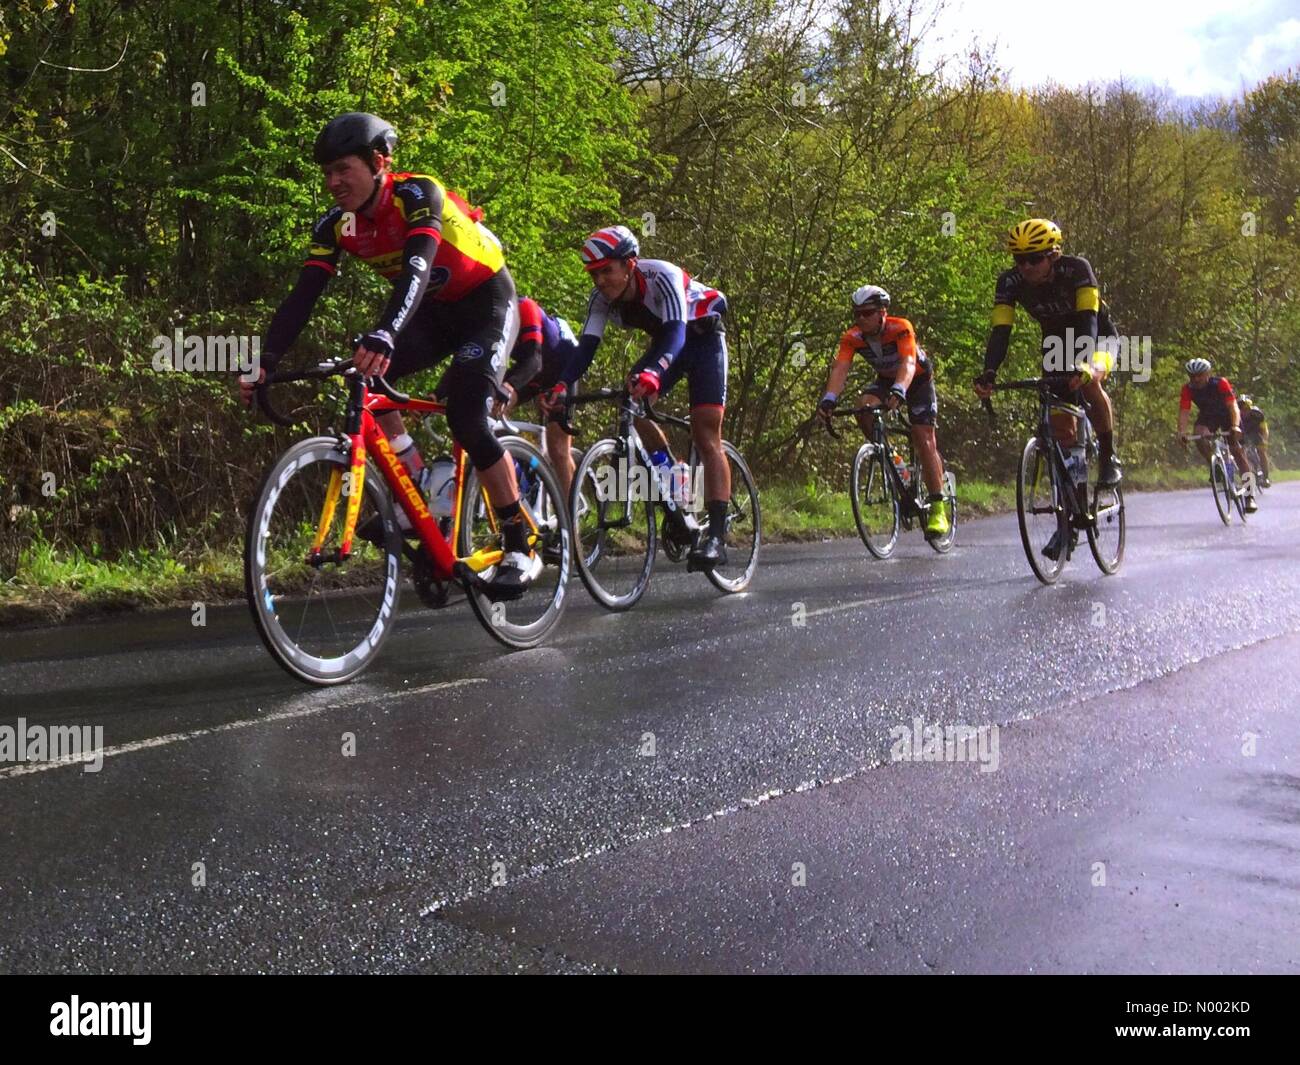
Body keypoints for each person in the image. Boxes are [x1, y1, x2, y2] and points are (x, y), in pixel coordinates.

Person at [238, 112, 538, 596]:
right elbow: (302, 297)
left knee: (467, 415)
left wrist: (385, 333)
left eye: (344, 170)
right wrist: (265, 361)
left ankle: (518, 540)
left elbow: (416, 269)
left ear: (379, 162)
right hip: (433, 314)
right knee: (365, 374)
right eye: (327, 174)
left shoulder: (418, 194)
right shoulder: (338, 226)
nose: (333, 183)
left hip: (486, 302)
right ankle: (415, 487)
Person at [568, 225, 732, 570]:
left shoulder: (661, 275)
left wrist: (654, 372)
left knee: (705, 434)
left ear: (630, 264)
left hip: (700, 338)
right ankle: (675, 485)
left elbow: (677, 333)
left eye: (606, 271)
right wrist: (558, 385)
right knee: (631, 403)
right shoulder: (599, 301)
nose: (599, 281)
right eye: (593, 274)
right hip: (667, 344)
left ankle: (716, 536)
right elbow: (585, 351)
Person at [973, 218, 1124, 487]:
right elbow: (1001, 331)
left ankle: (1108, 457)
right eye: (1020, 259)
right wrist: (990, 371)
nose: (1026, 266)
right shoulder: (1009, 282)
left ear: (1053, 254)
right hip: (1056, 345)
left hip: (1098, 336)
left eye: (1034, 258)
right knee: (1061, 427)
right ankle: (1069, 515)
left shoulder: (1077, 269)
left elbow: (1089, 318)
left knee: (1091, 383)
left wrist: (1087, 365)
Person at [816, 285, 950, 537]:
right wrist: (829, 399)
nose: (861, 319)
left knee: (923, 438)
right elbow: (840, 369)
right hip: (887, 380)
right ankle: (895, 462)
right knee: (862, 407)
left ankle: (938, 507)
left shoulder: (900, 327)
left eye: (867, 313)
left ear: (882, 312)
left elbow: (909, 362)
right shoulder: (852, 337)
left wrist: (900, 390)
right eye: (856, 314)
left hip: (917, 380)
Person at [493, 296, 581, 501]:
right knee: (492, 409)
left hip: (561, 369)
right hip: (533, 371)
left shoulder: (525, 307)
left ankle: (570, 523)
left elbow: (534, 359)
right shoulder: (493, 320)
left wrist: (510, 386)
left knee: (558, 449)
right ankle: (523, 471)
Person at [1177, 358, 1258, 513]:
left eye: (1199, 375)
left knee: (1237, 452)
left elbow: (1233, 406)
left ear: (1208, 374)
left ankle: (1249, 496)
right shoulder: (1188, 389)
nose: (1196, 379)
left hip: (1228, 415)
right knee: (1199, 435)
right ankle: (1216, 467)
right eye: (1192, 376)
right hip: (1209, 416)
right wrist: (1181, 432)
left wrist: (1234, 426)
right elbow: (1184, 411)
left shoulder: (1220, 383)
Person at [1237, 395, 1271, 488]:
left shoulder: (1257, 414)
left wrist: (1264, 441)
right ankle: (1245, 479)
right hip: (1244, 434)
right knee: (1240, 453)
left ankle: (1266, 477)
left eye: (1246, 408)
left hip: (1257, 433)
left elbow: (1264, 429)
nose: (1243, 411)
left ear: (1250, 408)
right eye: (1241, 408)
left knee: (1261, 451)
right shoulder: (1236, 414)